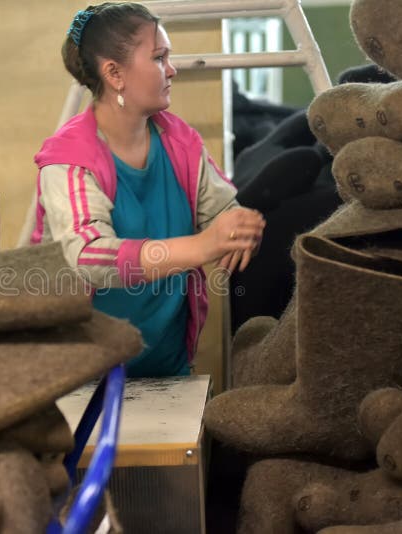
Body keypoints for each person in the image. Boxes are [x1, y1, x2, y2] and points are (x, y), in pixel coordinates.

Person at [24, 2, 265, 377]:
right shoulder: (69, 159)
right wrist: (202, 246)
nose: (171, 69)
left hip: (167, 365)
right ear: (114, 73)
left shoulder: (180, 140)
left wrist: (239, 228)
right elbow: (89, 257)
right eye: (159, 58)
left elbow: (220, 210)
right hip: (79, 378)